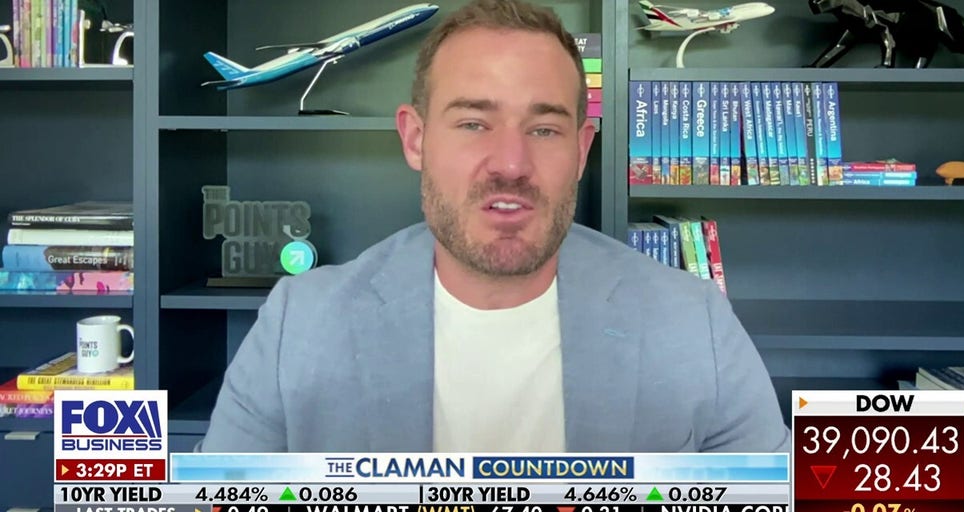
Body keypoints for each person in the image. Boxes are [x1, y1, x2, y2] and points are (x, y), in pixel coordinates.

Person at [200, 0, 790, 453]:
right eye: (473, 124)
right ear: (415, 139)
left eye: (544, 129)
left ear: (582, 150)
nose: (510, 164)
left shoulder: (693, 321)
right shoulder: (299, 323)